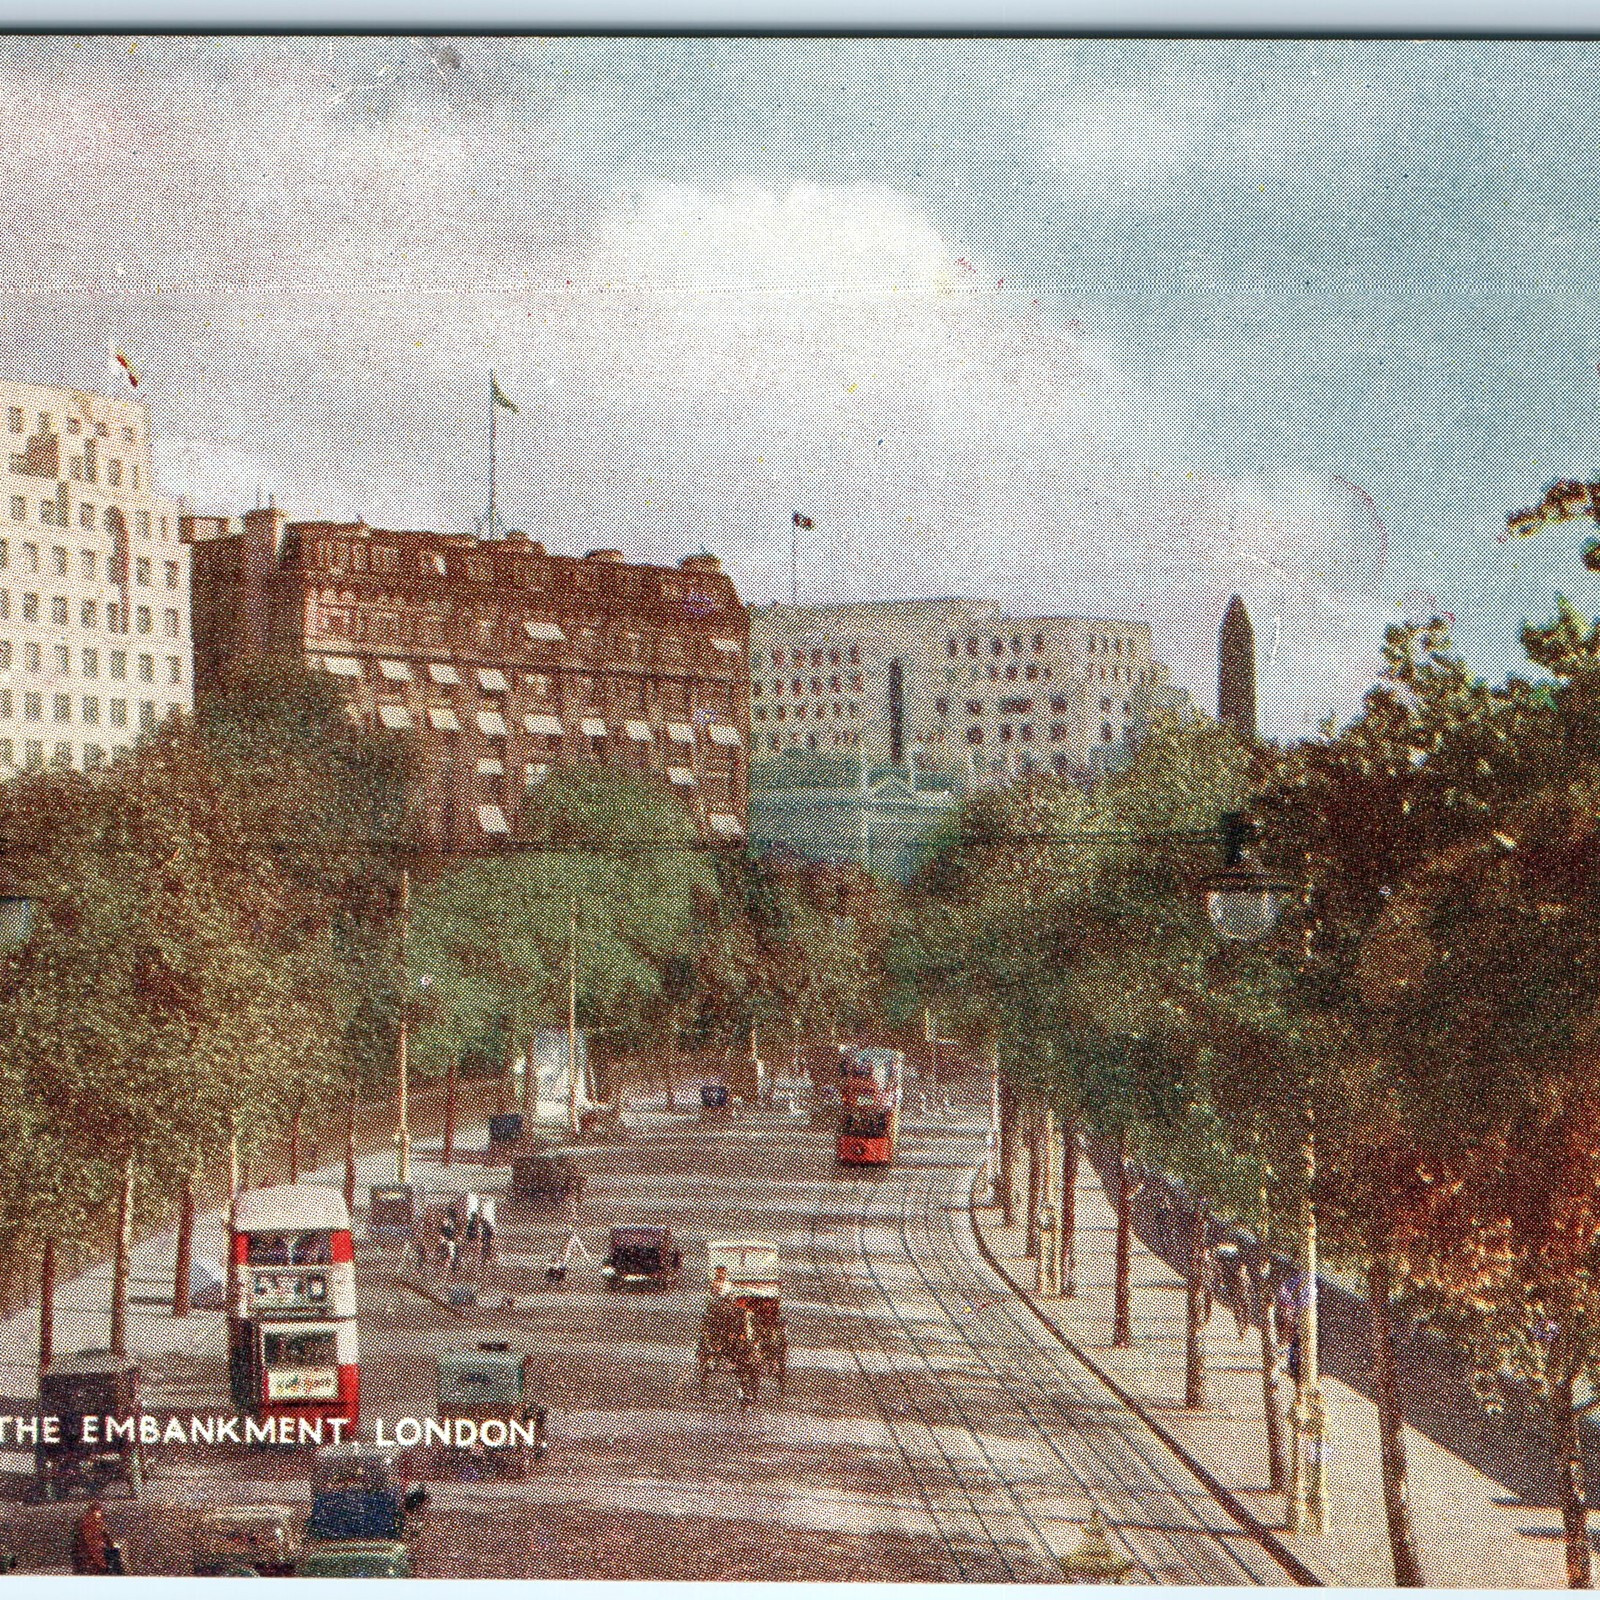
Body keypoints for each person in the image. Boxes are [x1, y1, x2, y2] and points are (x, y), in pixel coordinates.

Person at [72, 1503, 112, 1575]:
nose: (100, 1515)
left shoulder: (94, 1522)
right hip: (89, 1556)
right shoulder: (89, 1523)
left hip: (88, 1555)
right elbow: (92, 1541)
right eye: (99, 1512)